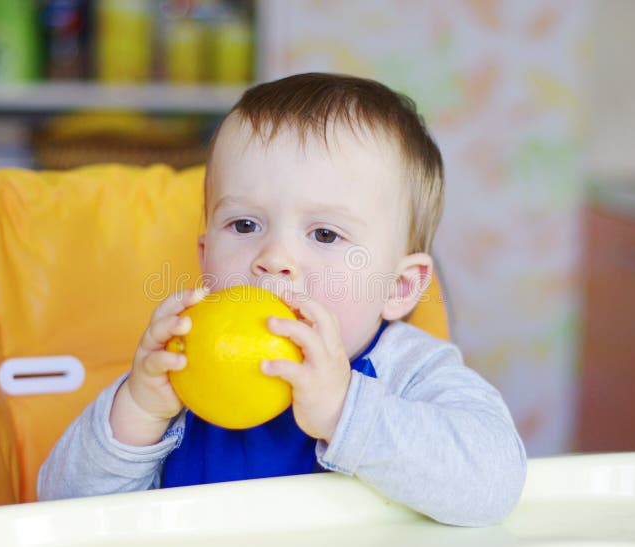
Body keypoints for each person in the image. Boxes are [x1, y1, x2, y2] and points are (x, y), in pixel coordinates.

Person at [38, 72, 526, 526]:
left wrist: (344, 412)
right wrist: (139, 412)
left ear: (397, 288)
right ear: (206, 259)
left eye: (325, 234)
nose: (274, 259)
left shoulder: (410, 372)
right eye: (245, 225)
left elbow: (495, 481)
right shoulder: (176, 375)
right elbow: (61, 509)